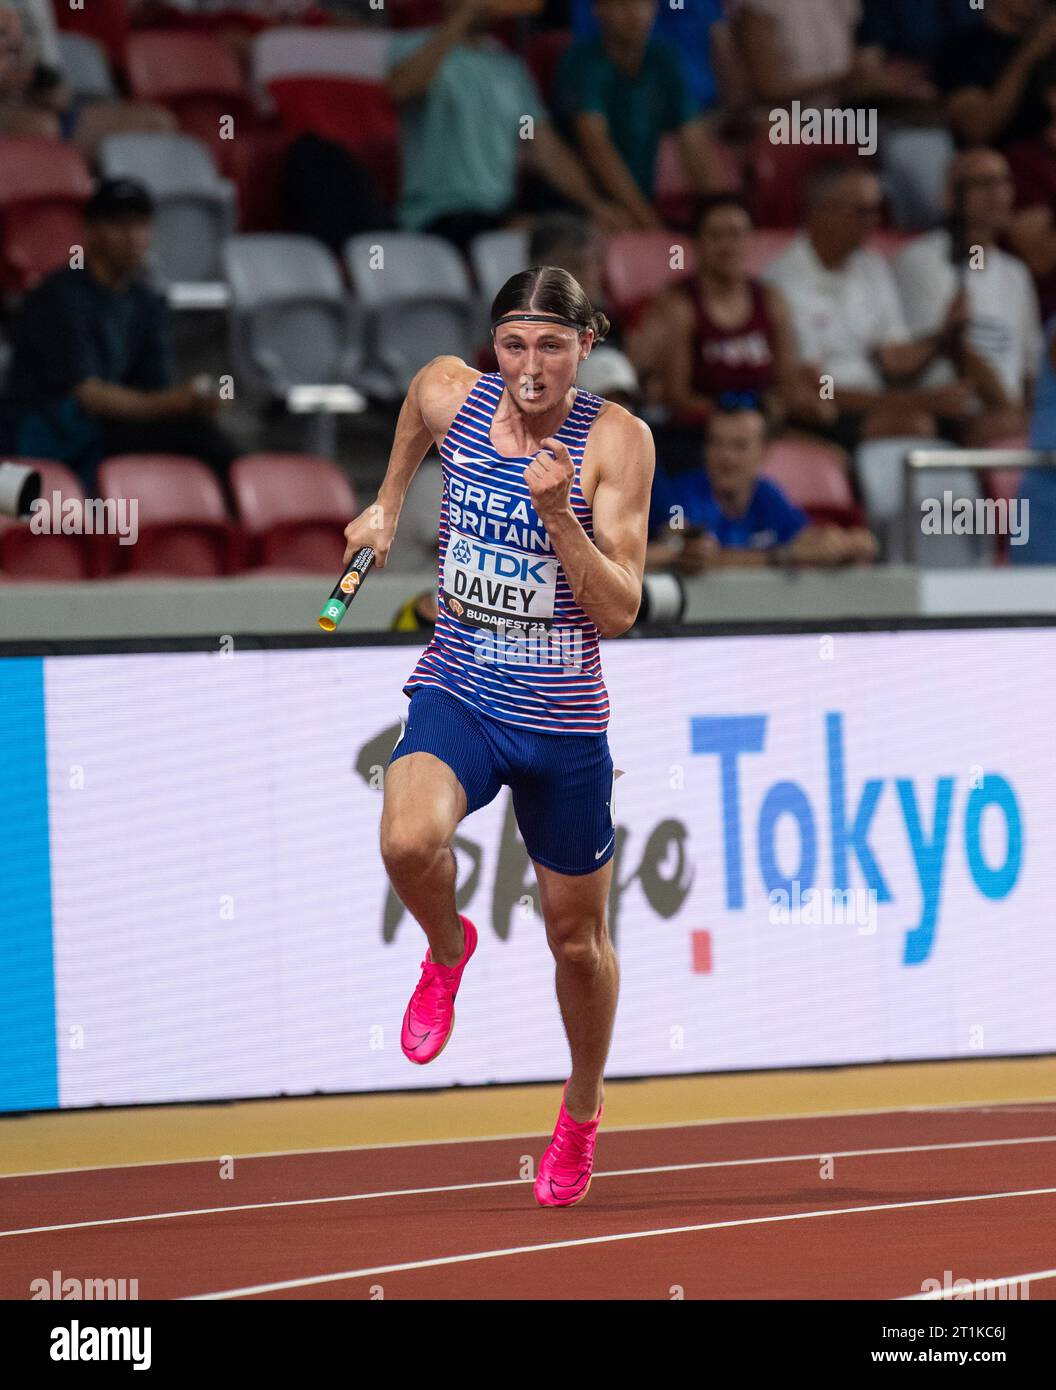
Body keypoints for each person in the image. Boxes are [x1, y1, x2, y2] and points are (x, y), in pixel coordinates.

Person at [339, 265, 654, 1207]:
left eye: (551, 346)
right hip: (462, 688)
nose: (530, 366)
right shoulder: (450, 390)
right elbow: (413, 420)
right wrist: (389, 502)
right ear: (493, 345)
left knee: (576, 944)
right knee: (406, 839)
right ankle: (447, 950)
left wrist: (558, 511)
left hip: (562, 723)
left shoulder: (618, 442)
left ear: (584, 346)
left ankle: (582, 1110)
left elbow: (624, 609)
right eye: (514, 344)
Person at [9, 178, 238, 492]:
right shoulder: (59, 297)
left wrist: (193, 402)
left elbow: (156, 390)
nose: (133, 237)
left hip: (109, 431)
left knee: (196, 434)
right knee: (194, 436)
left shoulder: (146, 301)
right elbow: (92, 398)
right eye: (119, 225)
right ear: (91, 232)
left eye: (142, 225)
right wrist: (176, 402)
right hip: (54, 436)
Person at [763, 163, 983, 448]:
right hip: (824, 410)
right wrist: (915, 402)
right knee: (915, 423)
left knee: (968, 412)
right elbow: (816, 389)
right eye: (862, 211)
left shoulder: (872, 266)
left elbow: (892, 358)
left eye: (879, 209)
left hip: (877, 399)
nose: (875, 220)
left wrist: (944, 336)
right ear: (821, 214)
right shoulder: (784, 281)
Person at [385, 0, 625, 249]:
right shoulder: (412, 45)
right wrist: (458, 21)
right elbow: (401, 89)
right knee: (548, 239)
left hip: (496, 215)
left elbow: (542, 146)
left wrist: (594, 204)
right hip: (435, 215)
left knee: (577, 236)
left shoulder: (510, 69)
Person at [630, 193, 819, 431]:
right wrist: (741, 415)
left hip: (761, 430)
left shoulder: (771, 300)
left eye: (737, 234)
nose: (728, 246)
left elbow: (786, 381)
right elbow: (677, 398)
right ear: (697, 243)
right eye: (717, 236)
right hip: (697, 434)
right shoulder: (678, 305)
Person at [893, 148, 1042, 446]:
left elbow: (1030, 370)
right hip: (951, 415)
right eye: (984, 183)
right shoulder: (922, 259)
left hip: (1008, 418)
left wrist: (1028, 416)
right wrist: (1011, 411)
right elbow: (954, 348)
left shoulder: (1015, 273)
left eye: (1004, 182)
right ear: (950, 196)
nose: (999, 193)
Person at [647, 403, 877, 572]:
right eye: (716, 443)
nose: (726, 457)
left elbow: (803, 539)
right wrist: (784, 557)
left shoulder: (766, 493)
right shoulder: (681, 497)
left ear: (763, 453)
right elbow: (689, 556)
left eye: (740, 446)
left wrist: (843, 545)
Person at [555, 0, 722, 231]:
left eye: (646, 4)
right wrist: (650, 225)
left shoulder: (664, 57)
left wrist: (716, 212)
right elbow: (597, 148)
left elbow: (693, 139)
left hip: (642, 204)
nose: (637, 14)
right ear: (599, 9)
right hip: (585, 208)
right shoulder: (579, 62)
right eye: (623, 4)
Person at [936, 0, 1056, 149]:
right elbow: (977, 129)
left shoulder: (1051, 48)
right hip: (996, 159)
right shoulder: (962, 49)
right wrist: (1031, 53)